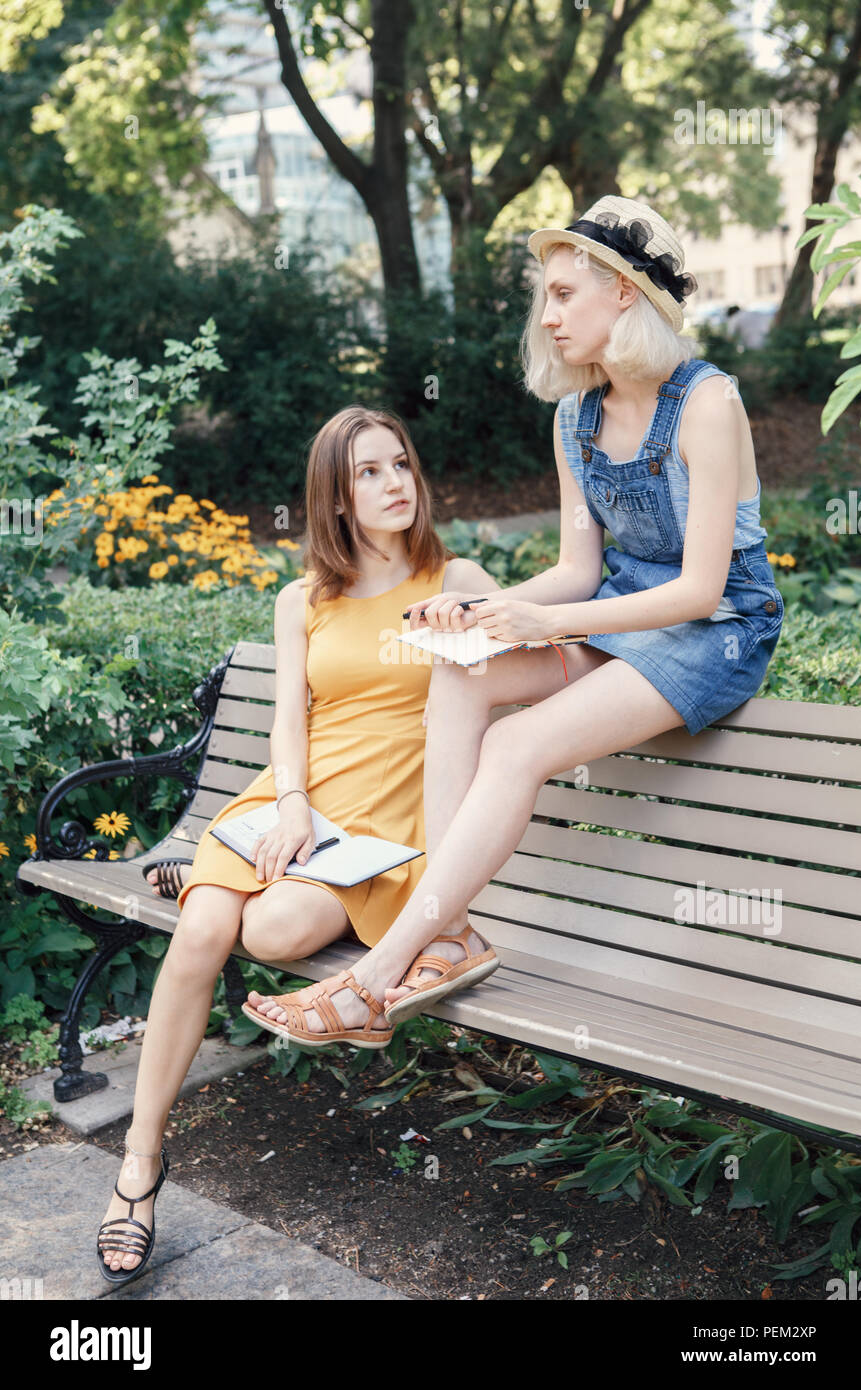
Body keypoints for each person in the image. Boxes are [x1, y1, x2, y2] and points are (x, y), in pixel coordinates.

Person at [286, 193, 785, 1030]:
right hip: (620, 613)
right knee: (457, 669)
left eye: (563, 294)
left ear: (624, 293)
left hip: (718, 631)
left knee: (515, 742)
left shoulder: (708, 404)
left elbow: (702, 590)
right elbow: (578, 568)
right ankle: (449, 935)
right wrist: (486, 610)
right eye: (544, 297)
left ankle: (377, 975)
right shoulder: (574, 419)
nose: (546, 316)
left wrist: (550, 625)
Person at [97, 404, 501, 1283]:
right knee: (205, 934)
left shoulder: (455, 573)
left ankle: (203, 881)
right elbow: (290, 723)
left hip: (384, 827)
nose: (394, 483)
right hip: (291, 809)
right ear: (337, 497)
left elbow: (496, 694)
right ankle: (139, 1165)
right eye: (368, 472)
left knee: (270, 934)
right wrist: (288, 805)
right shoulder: (303, 599)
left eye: (401, 464)